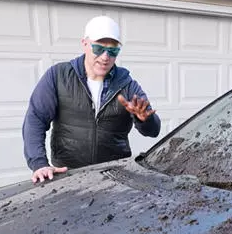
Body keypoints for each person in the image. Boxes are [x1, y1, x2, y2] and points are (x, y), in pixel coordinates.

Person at [23, 16, 161, 183]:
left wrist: (145, 119)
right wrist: (39, 163)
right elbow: (35, 119)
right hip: (69, 174)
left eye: (112, 51)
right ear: (85, 44)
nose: (105, 57)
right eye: (98, 48)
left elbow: (153, 131)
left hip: (114, 176)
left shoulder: (127, 85)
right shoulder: (58, 76)